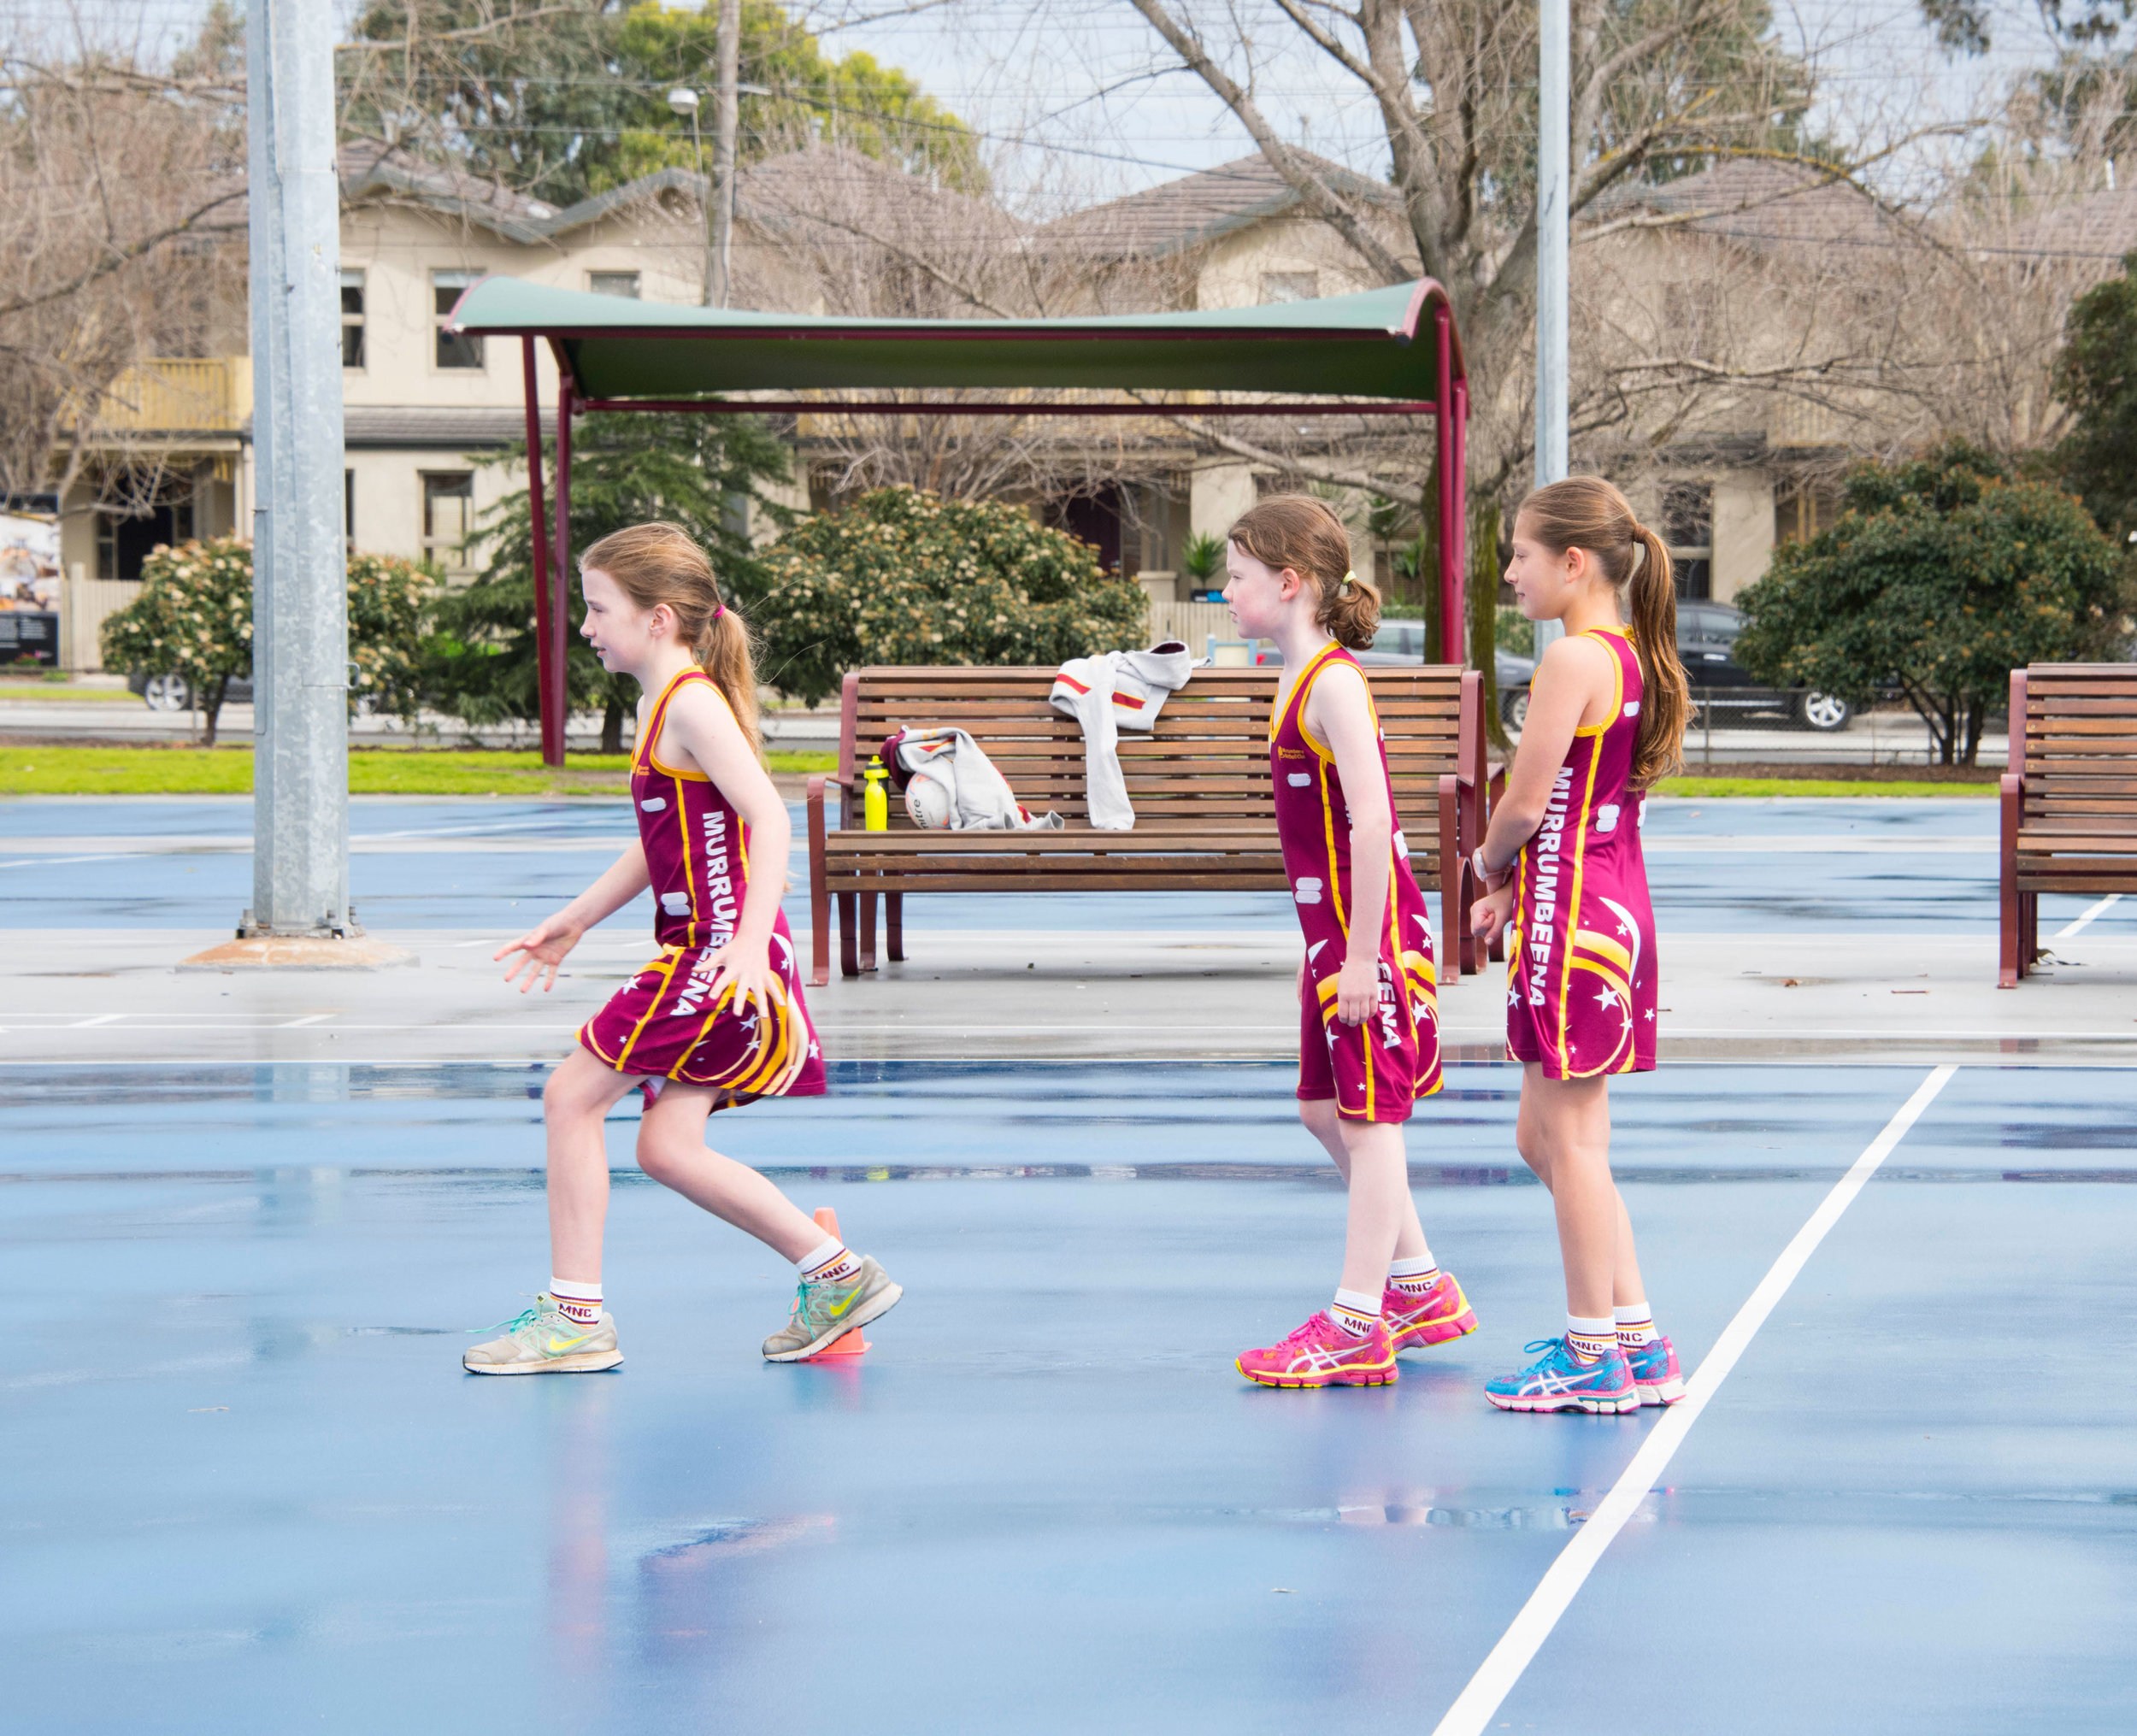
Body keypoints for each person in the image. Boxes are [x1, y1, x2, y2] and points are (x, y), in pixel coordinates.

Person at [463, 522, 902, 1374]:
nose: (586, 627)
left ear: (658, 619)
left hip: (710, 957)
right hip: (713, 952)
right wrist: (578, 917)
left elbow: (769, 818)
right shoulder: (665, 705)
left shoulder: (691, 702)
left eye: (598, 609)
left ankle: (574, 1319)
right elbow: (660, 838)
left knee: (570, 1099)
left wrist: (743, 948)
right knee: (666, 1147)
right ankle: (836, 1278)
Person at [1224, 496, 1477, 1389]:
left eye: (1238, 576)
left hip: (1365, 938)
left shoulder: (1332, 680)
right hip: (1330, 937)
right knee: (1324, 1110)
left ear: (1288, 584)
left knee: (1370, 1124)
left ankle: (1356, 1321)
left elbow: (1374, 827)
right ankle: (1416, 1285)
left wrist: (1364, 956)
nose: (1225, 592)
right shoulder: (1296, 680)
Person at [1468, 477, 1690, 1415]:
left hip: (1575, 922)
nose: (1508, 572)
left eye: (1519, 555)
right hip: (1610, 910)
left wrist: (1485, 866)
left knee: (1569, 1140)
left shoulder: (1571, 662)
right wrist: (1517, 883)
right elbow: (1570, 805)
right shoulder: (1630, 656)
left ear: (1572, 561)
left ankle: (1590, 1350)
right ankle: (1634, 1338)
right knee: (1551, 1138)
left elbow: (1523, 803)